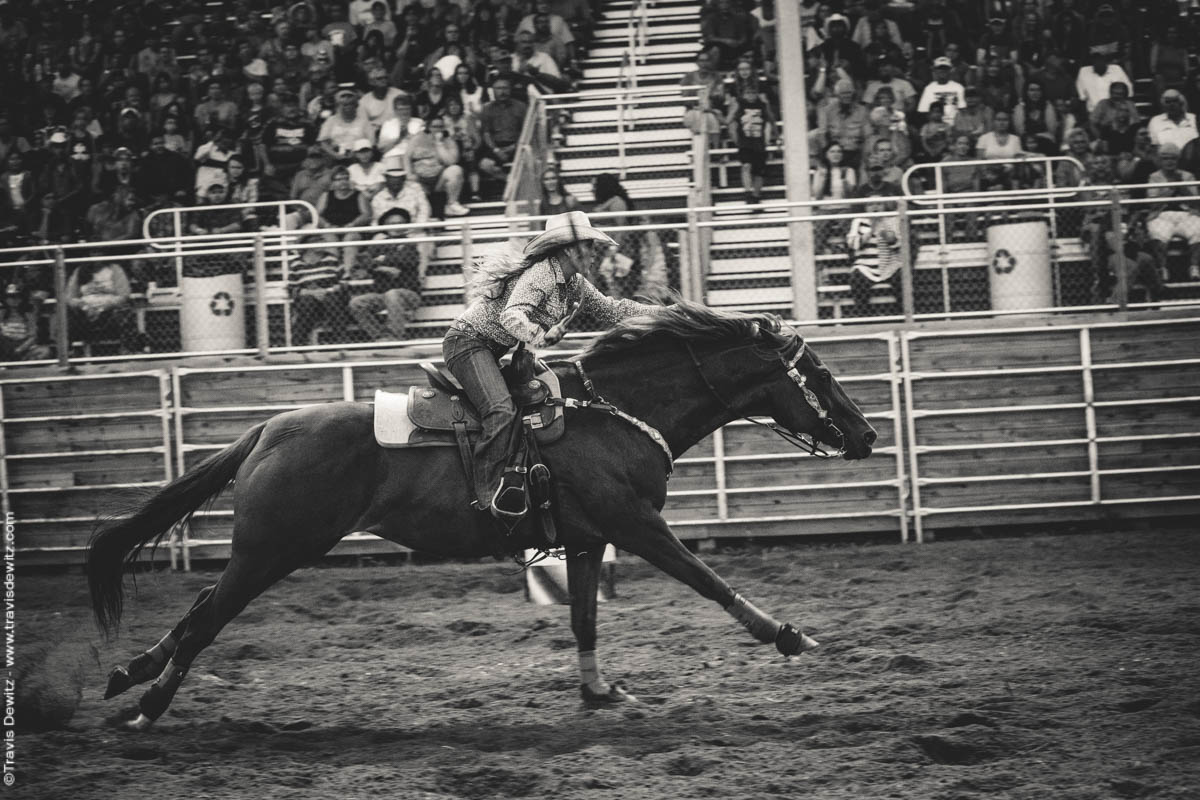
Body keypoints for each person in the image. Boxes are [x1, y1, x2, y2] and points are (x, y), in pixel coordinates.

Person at [444, 210, 664, 517]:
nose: (593, 252)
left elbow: (613, 310)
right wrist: (541, 337)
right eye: (588, 246)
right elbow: (512, 316)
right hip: (467, 344)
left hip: (488, 349)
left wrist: (663, 315)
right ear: (570, 250)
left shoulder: (574, 283)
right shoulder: (541, 274)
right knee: (501, 410)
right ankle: (485, 493)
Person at [347, 208, 424, 341]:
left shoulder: (410, 243)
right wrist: (382, 267)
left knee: (392, 294)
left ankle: (396, 336)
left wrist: (380, 261)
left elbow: (406, 260)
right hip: (381, 295)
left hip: (409, 294)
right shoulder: (378, 244)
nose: (396, 227)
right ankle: (380, 336)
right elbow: (362, 262)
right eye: (392, 223)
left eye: (400, 223)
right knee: (356, 303)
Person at [1145, 143, 1200, 281]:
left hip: (1186, 215)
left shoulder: (1188, 176)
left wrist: (1181, 184)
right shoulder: (1154, 177)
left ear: (1178, 160)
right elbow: (1152, 204)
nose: (1169, 162)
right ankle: (1162, 269)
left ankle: (1194, 267)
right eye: (1165, 158)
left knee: (1198, 230)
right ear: (1160, 161)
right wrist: (1171, 188)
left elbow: (1195, 202)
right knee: (1158, 233)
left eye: (1173, 158)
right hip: (1161, 215)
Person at [845, 189, 902, 317]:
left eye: (879, 204)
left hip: (889, 265)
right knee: (857, 279)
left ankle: (902, 313)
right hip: (866, 266)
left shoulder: (892, 220)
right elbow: (853, 245)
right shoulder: (859, 221)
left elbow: (897, 245)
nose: (875, 208)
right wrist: (870, 232)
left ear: (884, 206)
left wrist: (886, 234)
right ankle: (864, 316)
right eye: (871, 205)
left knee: (901, 278)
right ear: (866, 208)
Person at [62, 258, 137, 353]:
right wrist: (84, 306)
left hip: (109, 311)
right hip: (86, 312)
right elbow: (69, 297)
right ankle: (68, 352)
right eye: (92, 253)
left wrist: (105, 306)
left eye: (98, 253)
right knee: (66, 313)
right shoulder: (80, 271)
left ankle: (128, 350)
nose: (96, 256)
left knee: (125, 309)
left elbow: (124, 294)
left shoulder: (115, 269)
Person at [405, 116, 470, 217]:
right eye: (435, 126)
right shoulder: (417, 139)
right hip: (420, 179)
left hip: (439, 180)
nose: (438, 129)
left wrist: (439, 144)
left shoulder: (449, 141)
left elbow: (451, 161)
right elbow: (407, 157)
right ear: (428, 127)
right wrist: (409, 173)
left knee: (456, 170)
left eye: (441, 126)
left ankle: (451, 204)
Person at [290, 249, 351, 345]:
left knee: (332, 300)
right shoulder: (296, 264)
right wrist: (311, 292)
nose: (321, 242)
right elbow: (292, 288)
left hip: (331, 294)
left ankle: (341, 340)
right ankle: (299, 342)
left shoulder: (332, 259)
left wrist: (327, 290)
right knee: (307, 302)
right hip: (308, 296)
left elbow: (344, 281)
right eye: (316, 240)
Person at [317, 166, 372, 267]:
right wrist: (327, 226)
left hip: (353, 230)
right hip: (331, 230)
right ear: (333, 182)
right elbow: (316, 216)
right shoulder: (326, 195)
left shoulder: (359, 195)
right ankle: (333, 271)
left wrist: (352, 225)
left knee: (350, 239)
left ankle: (347, 272)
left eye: (346, 178)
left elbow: (366, 214)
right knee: (330, 240)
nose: (343, 182)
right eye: (338, 179)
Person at [0, 283, 49, 361]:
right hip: (5, 346)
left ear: (22, 298)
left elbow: (33, 337)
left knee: (45, 351)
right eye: (10, 297)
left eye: (17, 297)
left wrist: (20, 349)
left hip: (23, 346)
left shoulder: (29, 314)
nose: (14, 300)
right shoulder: (1, 313)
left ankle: (23, 363)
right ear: (5, 299)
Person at [1075, 46, 1131, 115]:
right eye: (1095, 62)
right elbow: (1082, 98)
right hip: (1093, 113)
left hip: (1115, 113)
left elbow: (1129, 92)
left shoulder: (1117, 70)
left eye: (1101, 61)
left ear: (1106, 62)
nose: (1098, 64)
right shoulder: (1084, 72)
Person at [917, 56, 966, 126]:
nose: (942, 71)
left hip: (956, 124)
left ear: (950, 70)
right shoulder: (929, 88)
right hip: (936, 124)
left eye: (945, 68)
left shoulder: (959, 87)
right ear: (934, 70)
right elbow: (923, 111)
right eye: (939, 68)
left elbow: (963, 109)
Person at [1147, 90, 1198, 154]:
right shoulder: (1155, 121)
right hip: (1167, 159)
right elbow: (1154, 146)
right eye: (1168, 102)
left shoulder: (1194, 118)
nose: (1171, 105)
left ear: (1181, 103)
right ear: (1163, 105)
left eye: (1175, 101)